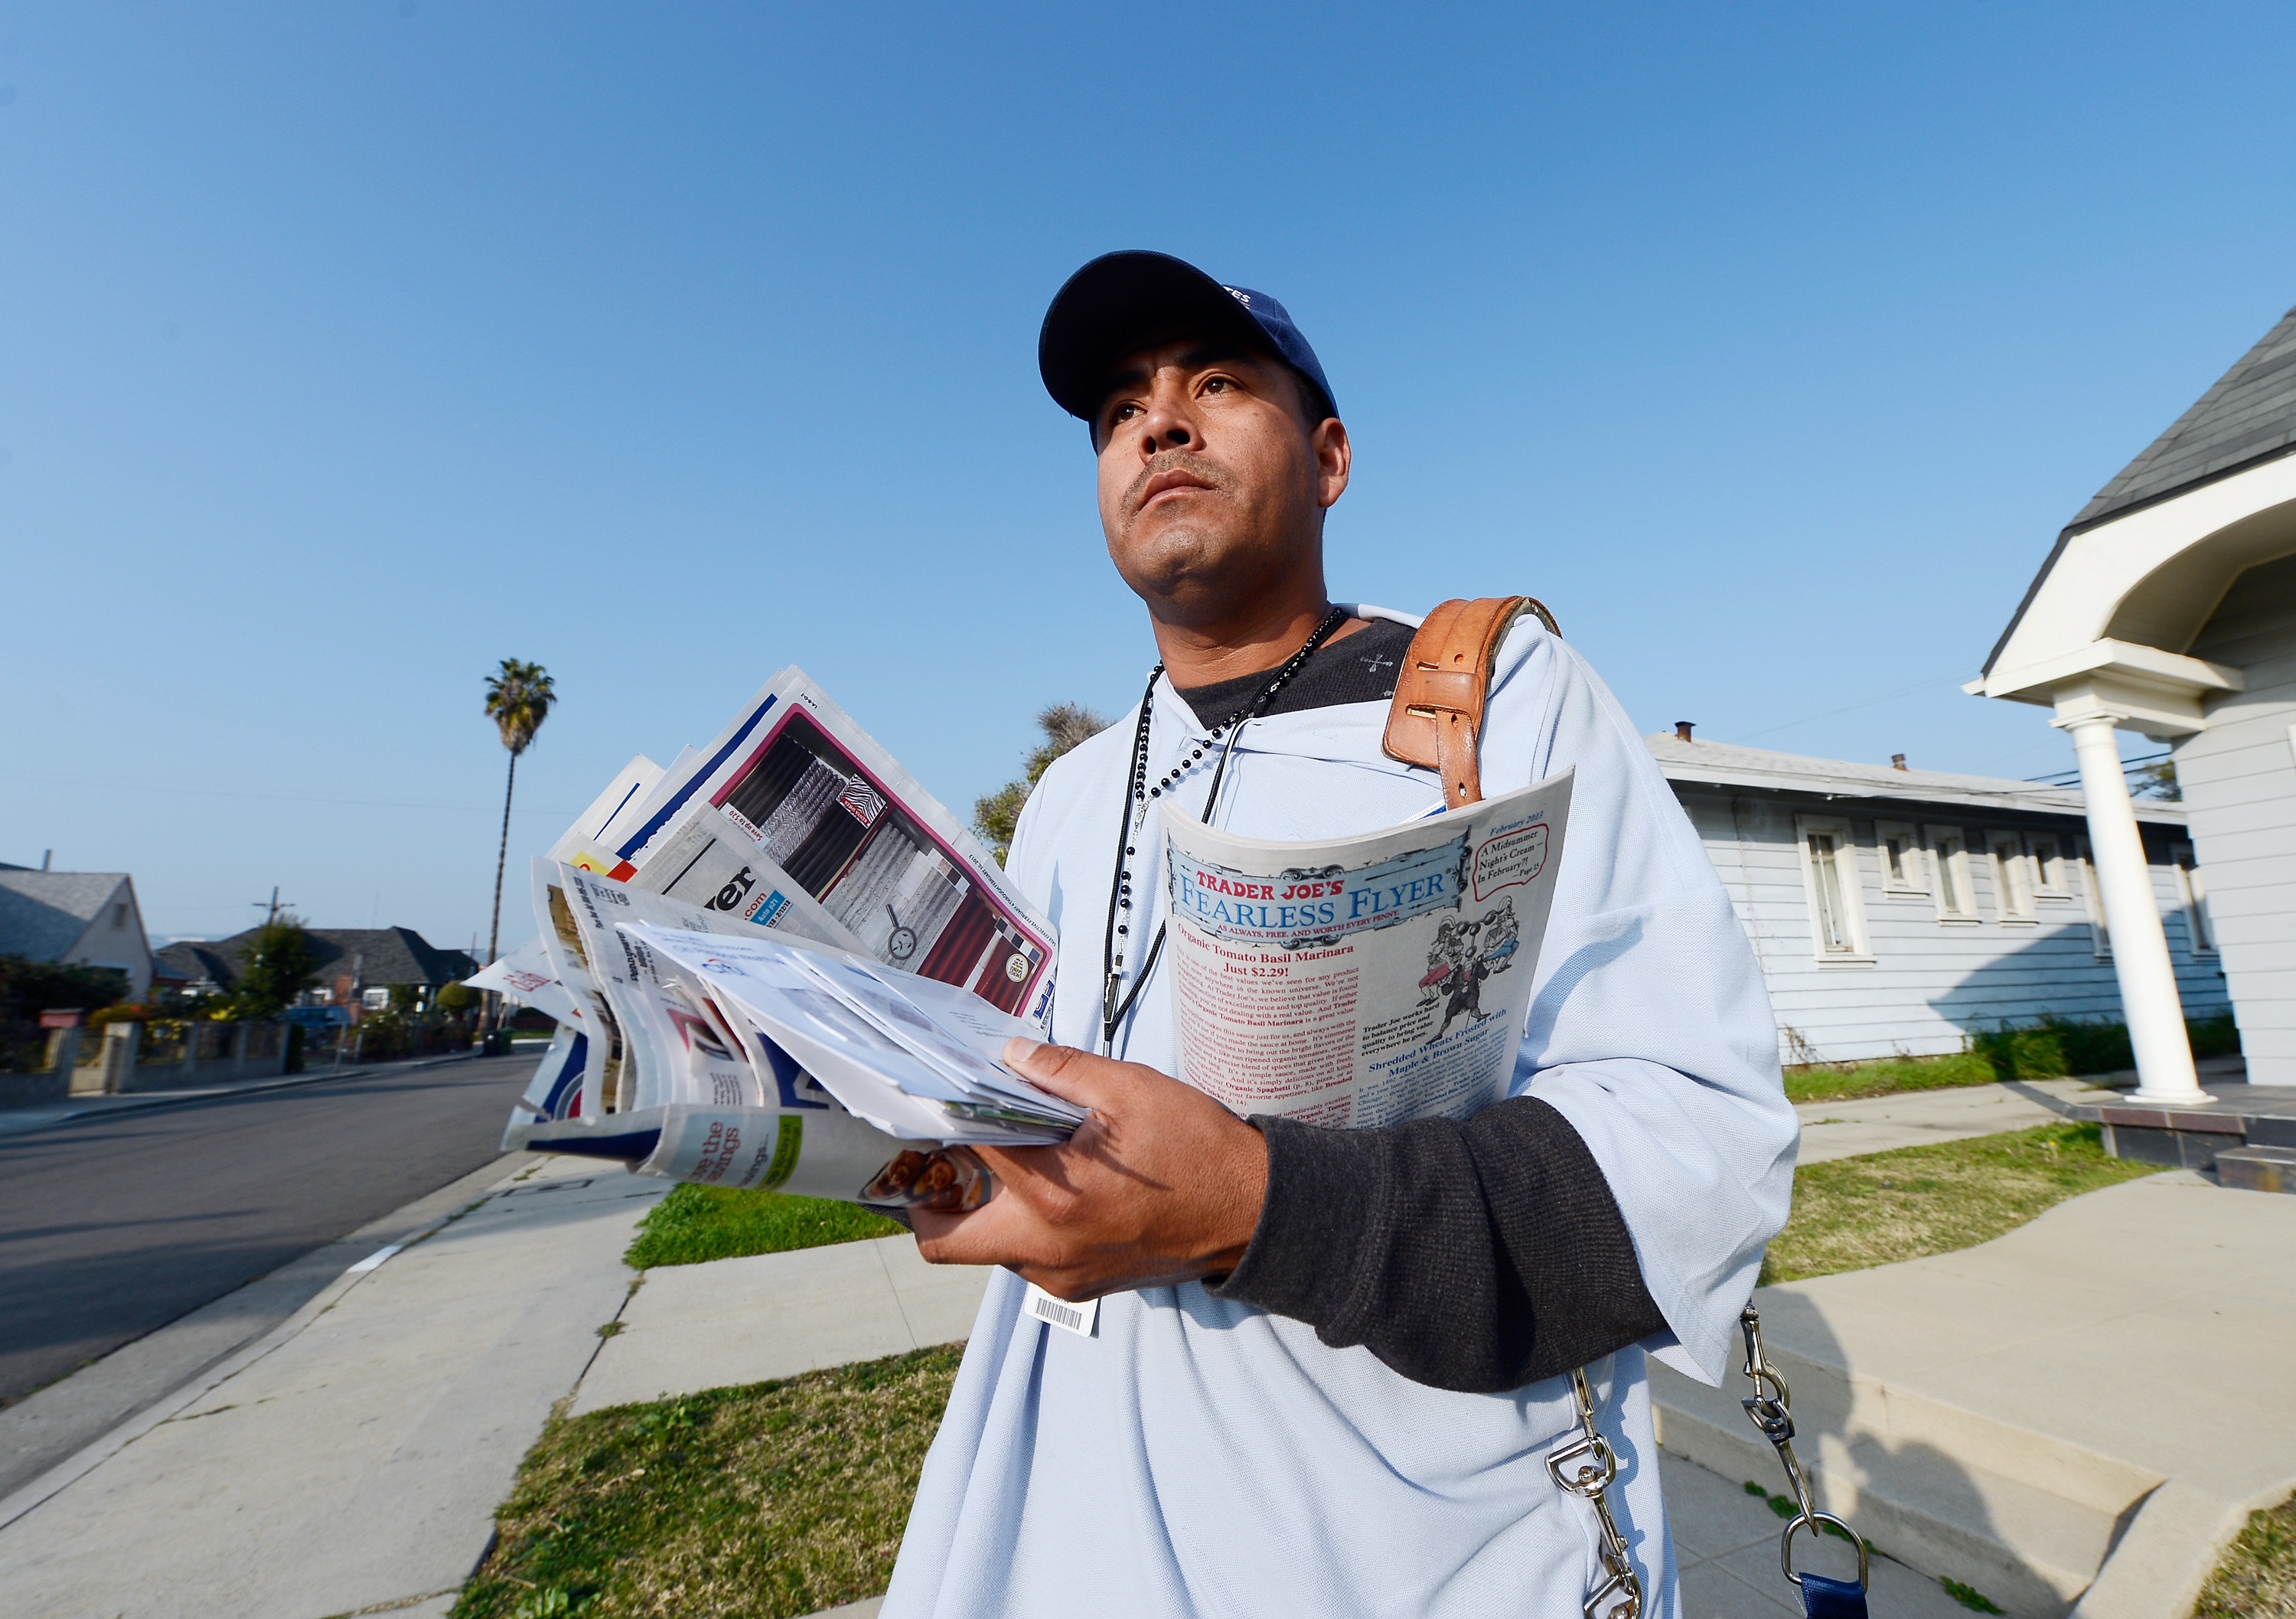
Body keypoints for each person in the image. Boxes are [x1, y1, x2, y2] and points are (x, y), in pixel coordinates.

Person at [883, 250, 1797, 1618]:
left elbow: (1699, 1147)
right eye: (1121, 406)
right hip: (1073, 1524)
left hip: (1413, 1543)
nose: (1160, 422)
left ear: (1330, 458)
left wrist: (1253, 1205)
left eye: (1216, 382)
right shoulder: (1073, 796)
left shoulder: (1496, 703)